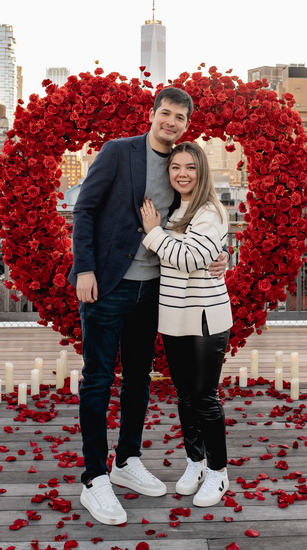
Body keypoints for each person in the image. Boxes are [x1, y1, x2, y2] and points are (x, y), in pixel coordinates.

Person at [69, 86, 226, 526]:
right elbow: (85, 210)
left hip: (154, 288)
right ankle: (94, 478)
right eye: (166, 113)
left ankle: (127, 460)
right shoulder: (119, 152)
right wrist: (85, 269)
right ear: (153, 113)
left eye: (180, 117)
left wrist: (221, 253)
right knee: (98, 379)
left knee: (138, 378)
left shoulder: (182, 167)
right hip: (108, 285)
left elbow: (197, 222)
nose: (171, 122)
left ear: (187, 124)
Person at [140, 141, 233, 507]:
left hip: (205, 319)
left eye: (190, 167)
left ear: (202, 172)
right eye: (175, 166)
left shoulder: (211, 211)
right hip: (174, 317)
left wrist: (153, 232)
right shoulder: (174, 208)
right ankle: (195, 462)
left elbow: (191, 257)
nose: (182, 173)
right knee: (183, 396)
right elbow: (185, 255)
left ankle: (218, 471)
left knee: (204, 398)